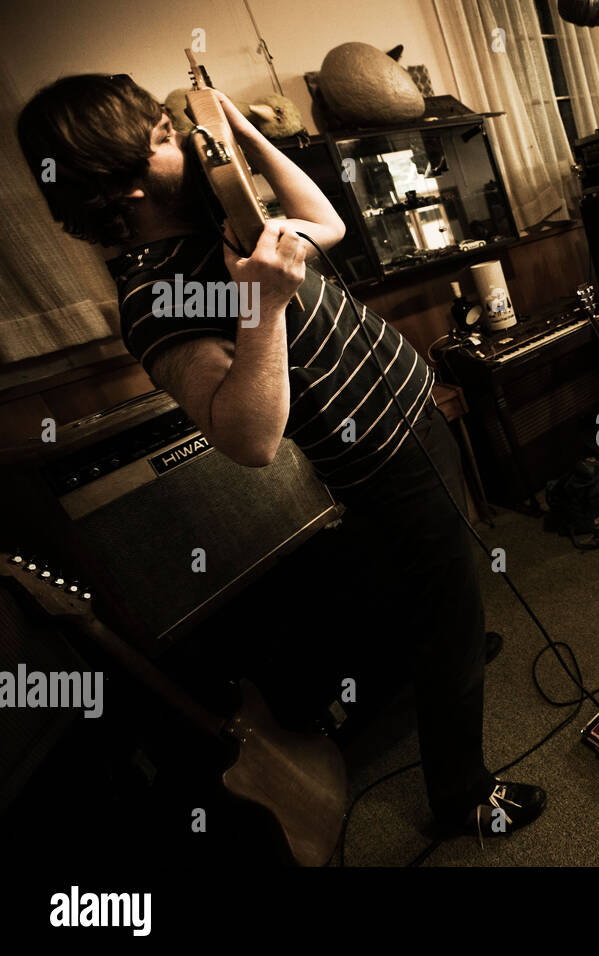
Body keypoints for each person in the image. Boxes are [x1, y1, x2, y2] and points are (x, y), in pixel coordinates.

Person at [16, 73, 545, 846]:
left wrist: (233, 131)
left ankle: (436, 648)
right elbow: (247, 438)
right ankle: (463, 795)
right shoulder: (155, 294)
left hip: (414, 413)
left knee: (442, 584)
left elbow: (325, 221)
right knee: (455, 614)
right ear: (119, 187)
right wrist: (260, 306)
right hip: (384, 465)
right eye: (162, 140)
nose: (183, 141)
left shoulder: (225, 218)